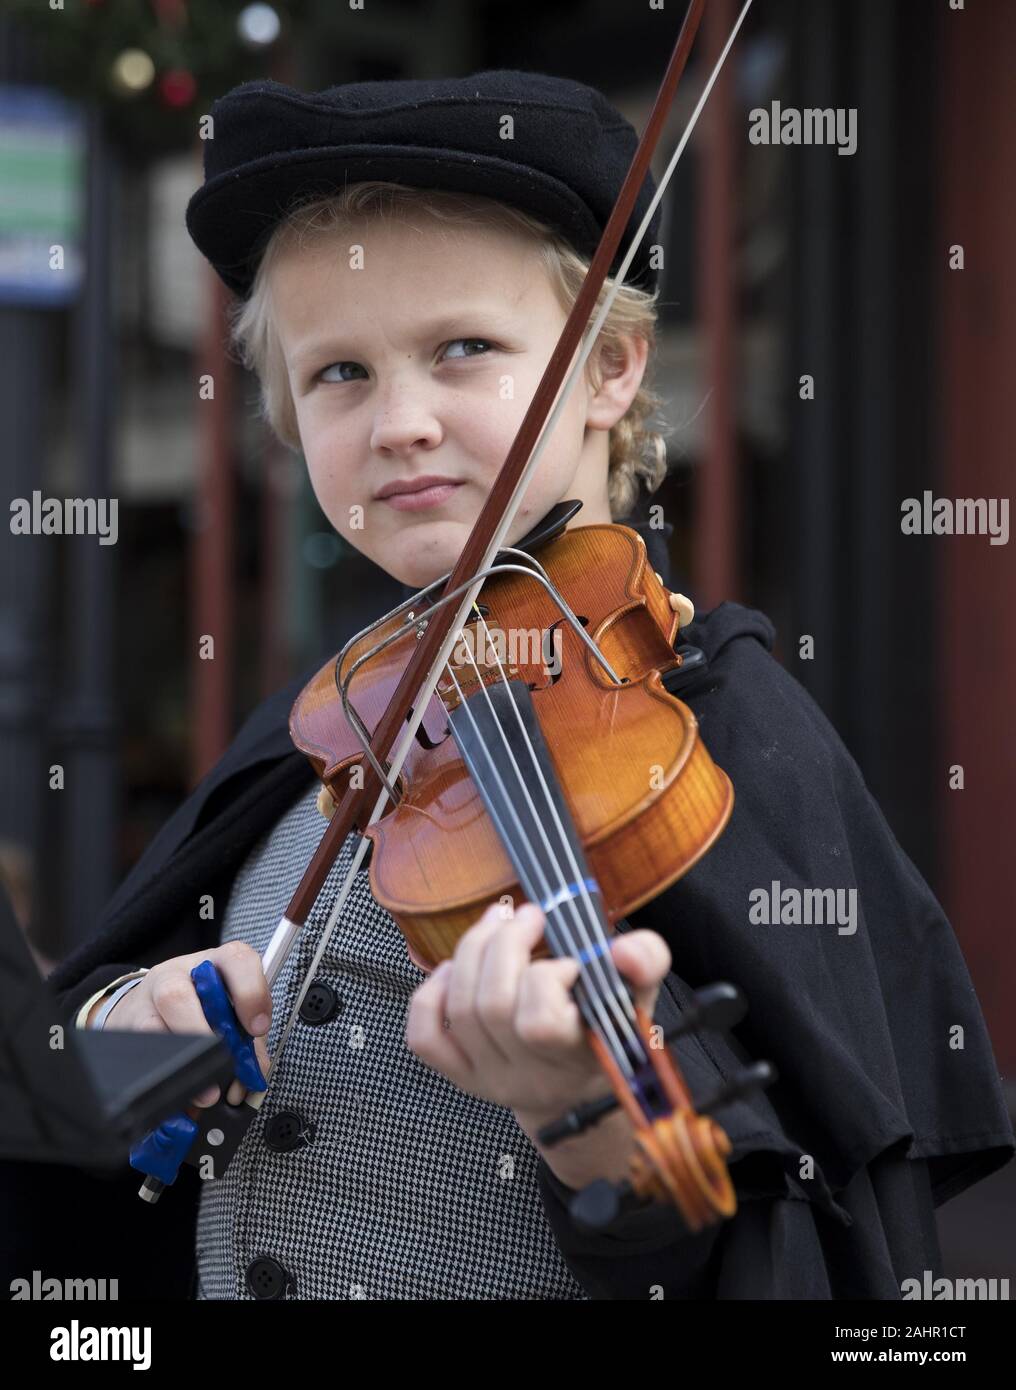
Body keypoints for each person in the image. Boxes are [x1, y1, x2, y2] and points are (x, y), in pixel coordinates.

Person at [49, 70, 1013, 1301]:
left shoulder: (718, 729)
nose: (398, 419)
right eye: (337, 371)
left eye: (463, 349)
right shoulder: (328, 715)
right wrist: (131, 1020)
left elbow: (773, 1237)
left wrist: (577, 1113)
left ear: (610, 367)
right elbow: (80, 1084)